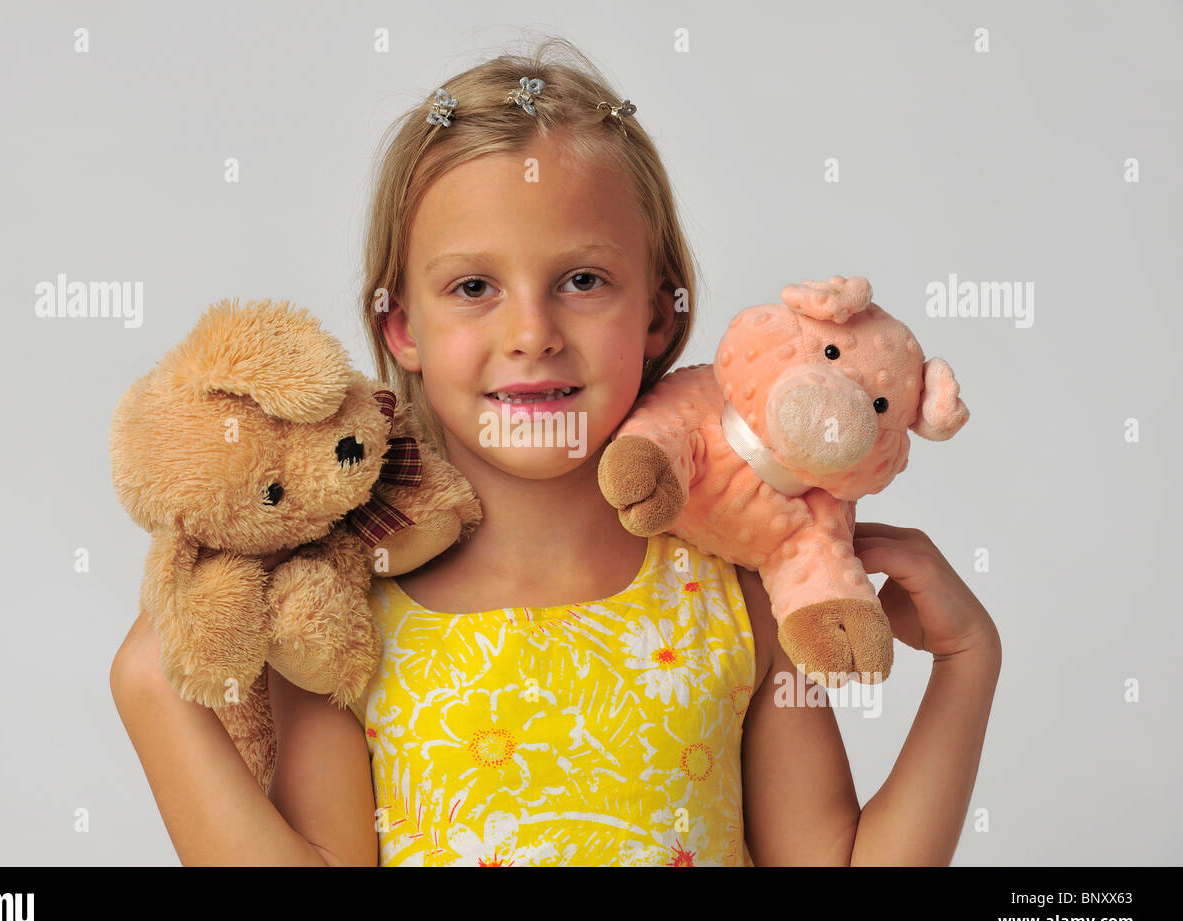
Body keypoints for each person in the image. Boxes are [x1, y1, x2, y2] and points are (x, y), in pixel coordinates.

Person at [110, 36, 1001, 866]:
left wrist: (967, 665)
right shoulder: (341, 616)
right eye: (473, 287)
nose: (531, 332)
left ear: (659, 312)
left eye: (582, 281)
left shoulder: (732, 592)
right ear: (401, 325)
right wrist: (149, 689)